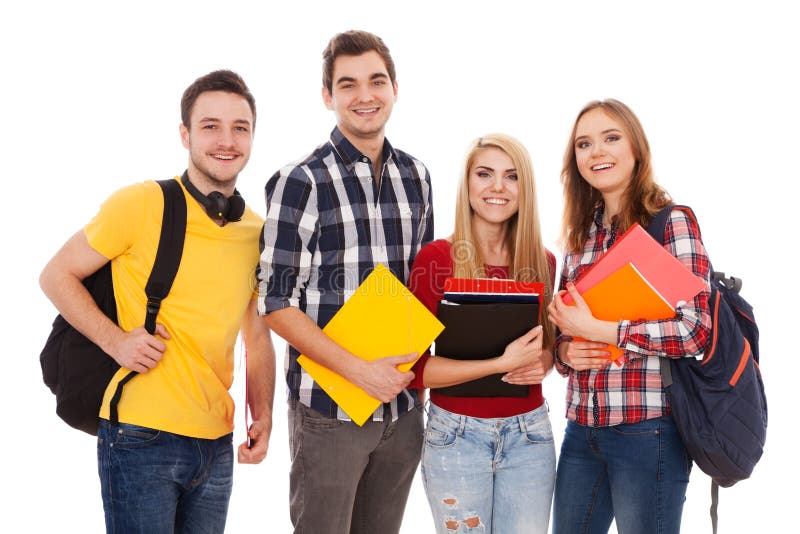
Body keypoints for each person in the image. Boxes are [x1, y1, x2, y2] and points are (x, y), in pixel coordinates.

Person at [39, 70, 276, 533]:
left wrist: (261, 411)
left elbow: (258, 334)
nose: (227, 140)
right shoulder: (141, 204)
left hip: (216, 441)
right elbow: (55, 274)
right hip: (139, 436)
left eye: (240, 127)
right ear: (185, 134)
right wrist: (115, 341)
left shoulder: (257, 232)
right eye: (210, 126)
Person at [257, 30, 433, 534]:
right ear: (327, 96)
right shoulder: (301, 180)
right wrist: (358, 371)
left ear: (395, 88)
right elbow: (274, 302)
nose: (365, 96)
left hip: (402, 408)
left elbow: (421, 291)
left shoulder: (416, 176)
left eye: (377, 81)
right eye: (348, 84)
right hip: (329, 413)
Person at [546, 98, 712, 534]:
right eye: (584, 144)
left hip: (647, 432)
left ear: (636, 148)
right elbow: (563, 342)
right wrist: (566, 350)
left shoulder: (671, 223)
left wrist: (603, 330)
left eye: (611, 138)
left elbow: (696, 331)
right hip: (582, 430)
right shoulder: (580, 238)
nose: (597, 151)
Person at [407, 133, 557, 534]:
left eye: (511, 177)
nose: (497, 187)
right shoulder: (436, 259)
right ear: (467, 183)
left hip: (530, 435)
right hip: (456, 437)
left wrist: (543, 362)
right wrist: (500, 364)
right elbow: (414, 369)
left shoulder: (543, 261)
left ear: (524, 188)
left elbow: (548, 351)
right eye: (484, 174)